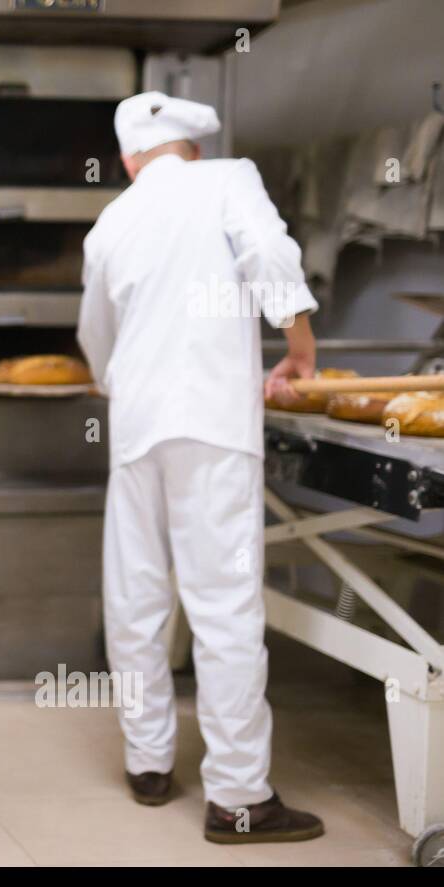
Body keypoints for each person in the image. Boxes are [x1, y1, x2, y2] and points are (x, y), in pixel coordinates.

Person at [77, 91, 325, 844]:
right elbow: (271, 256)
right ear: (192, 146)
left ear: (128, 159)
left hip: (137, 429)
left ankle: (149, 764)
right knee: (222, 608)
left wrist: (128, 382)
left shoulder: (111, 221)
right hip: (214, 426)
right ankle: (239, 798)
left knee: (137, 598)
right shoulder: (228, 178)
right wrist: (301, 347)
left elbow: (97, 342)